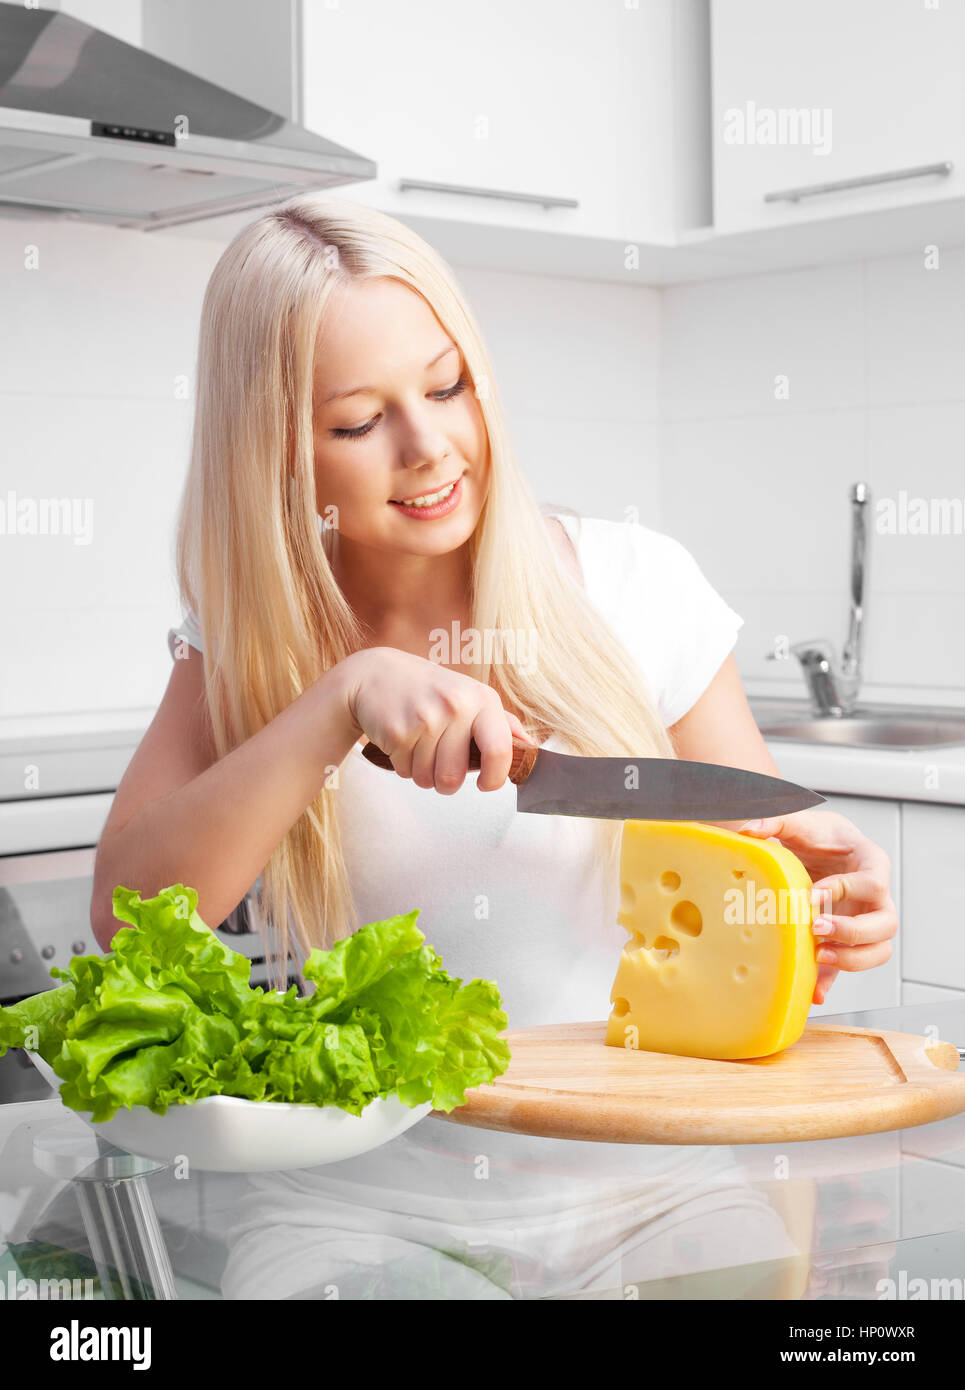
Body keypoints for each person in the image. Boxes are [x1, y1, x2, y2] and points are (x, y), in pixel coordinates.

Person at [88, 194, 898, 1297]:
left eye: (445, 385)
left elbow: (752, 885)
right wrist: (336, 705)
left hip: (656, 1182)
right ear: (274, 452)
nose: (427, 449)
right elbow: (128, 924)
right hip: (360, 1201)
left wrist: (820, 901)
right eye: (357, 422)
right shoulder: (244, 645)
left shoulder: (635, 585)